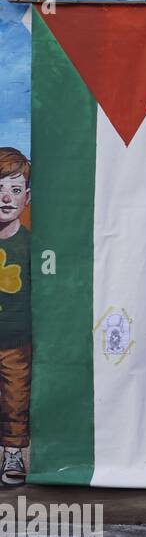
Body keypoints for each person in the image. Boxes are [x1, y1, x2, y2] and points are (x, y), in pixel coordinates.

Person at [0, 149, 32, 486]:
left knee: (15, 397)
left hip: (17, 341)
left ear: (27, 197)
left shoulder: (31, 247)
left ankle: (13, 453)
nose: (6, 197)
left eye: (15, 188)